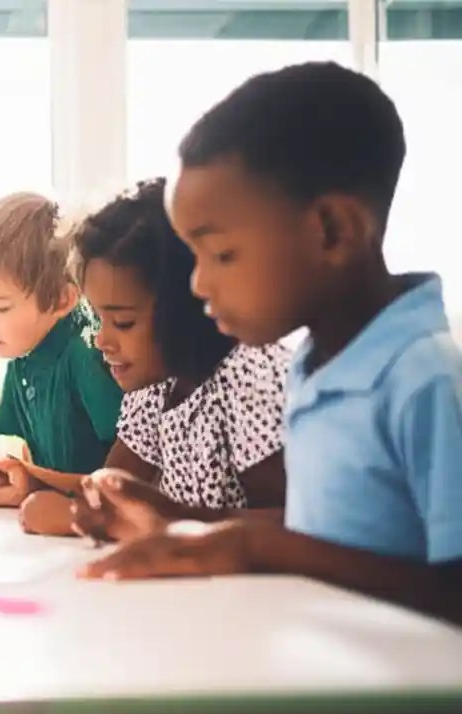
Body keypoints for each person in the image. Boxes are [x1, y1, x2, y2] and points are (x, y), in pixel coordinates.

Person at [79, 62, 462, 626]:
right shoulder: (319, 365)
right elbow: (327, 539)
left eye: (222, 255)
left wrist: (258, 548)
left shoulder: (427, 378)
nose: (197, 285)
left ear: (332, 230)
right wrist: (179, 519)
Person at [56, 178, 288, 540]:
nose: (102, 340)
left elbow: (296, 526)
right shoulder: (154, 388)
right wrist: (35, 487)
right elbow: (108, 494)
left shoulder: (248, 378)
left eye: (123, 322)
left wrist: (176, 520)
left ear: (188, 305)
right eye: (99, 319)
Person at [0, 192, 122, 518]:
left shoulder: (87, 354)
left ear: (63, 300)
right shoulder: (23, 355)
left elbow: (129, 474)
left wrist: (33, 481)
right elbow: (32, 456)